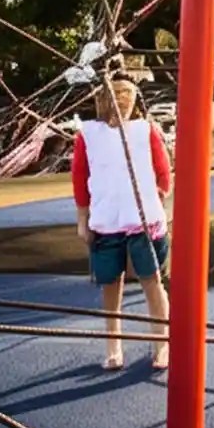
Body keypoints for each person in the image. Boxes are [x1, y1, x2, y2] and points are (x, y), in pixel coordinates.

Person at [72, 78, 172, 371]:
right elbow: (80, 179)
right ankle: (114, 347)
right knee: (110, 286)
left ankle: (161, 344)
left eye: (126, 96)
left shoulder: (145, 130)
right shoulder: (88, 135)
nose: (121, 102)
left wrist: (155, 198)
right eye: (114, 96)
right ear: (102, 101)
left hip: (144, 220)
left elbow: (164, 172)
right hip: (106, 220)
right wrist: (82, 219)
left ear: (135, 101)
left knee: (152, 281)